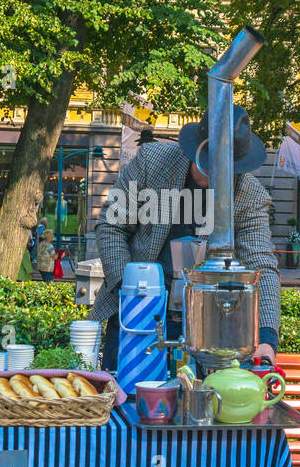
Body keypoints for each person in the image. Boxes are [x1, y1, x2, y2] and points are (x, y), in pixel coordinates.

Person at [91, 104, 280, 370]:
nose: (217, 174)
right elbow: (111, 225)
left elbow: (262, 264)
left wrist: (267, 338)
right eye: (210, 164)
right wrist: (130, 288)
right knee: (125, 396)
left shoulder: (250, 194)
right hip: (134, 310)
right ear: (196, 150)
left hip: (208, 326)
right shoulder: (152, 161)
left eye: (227, 169)